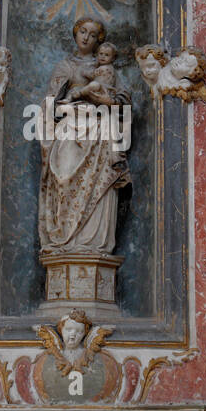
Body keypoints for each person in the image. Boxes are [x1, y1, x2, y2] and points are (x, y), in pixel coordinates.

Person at [39, 19, 131, 255]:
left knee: (100, 182)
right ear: (75, 33)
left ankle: (92, 243)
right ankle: (65, 240)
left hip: (99, 130)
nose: (86, 38)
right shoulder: (65, 67)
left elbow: (123, 102)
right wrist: (62, 107)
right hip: (71, 128)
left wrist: (104, 101)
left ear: (100, 42)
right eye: (82, 32)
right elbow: (51, 104)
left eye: (92, 34)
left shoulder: (107, 69)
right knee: (64, 175)